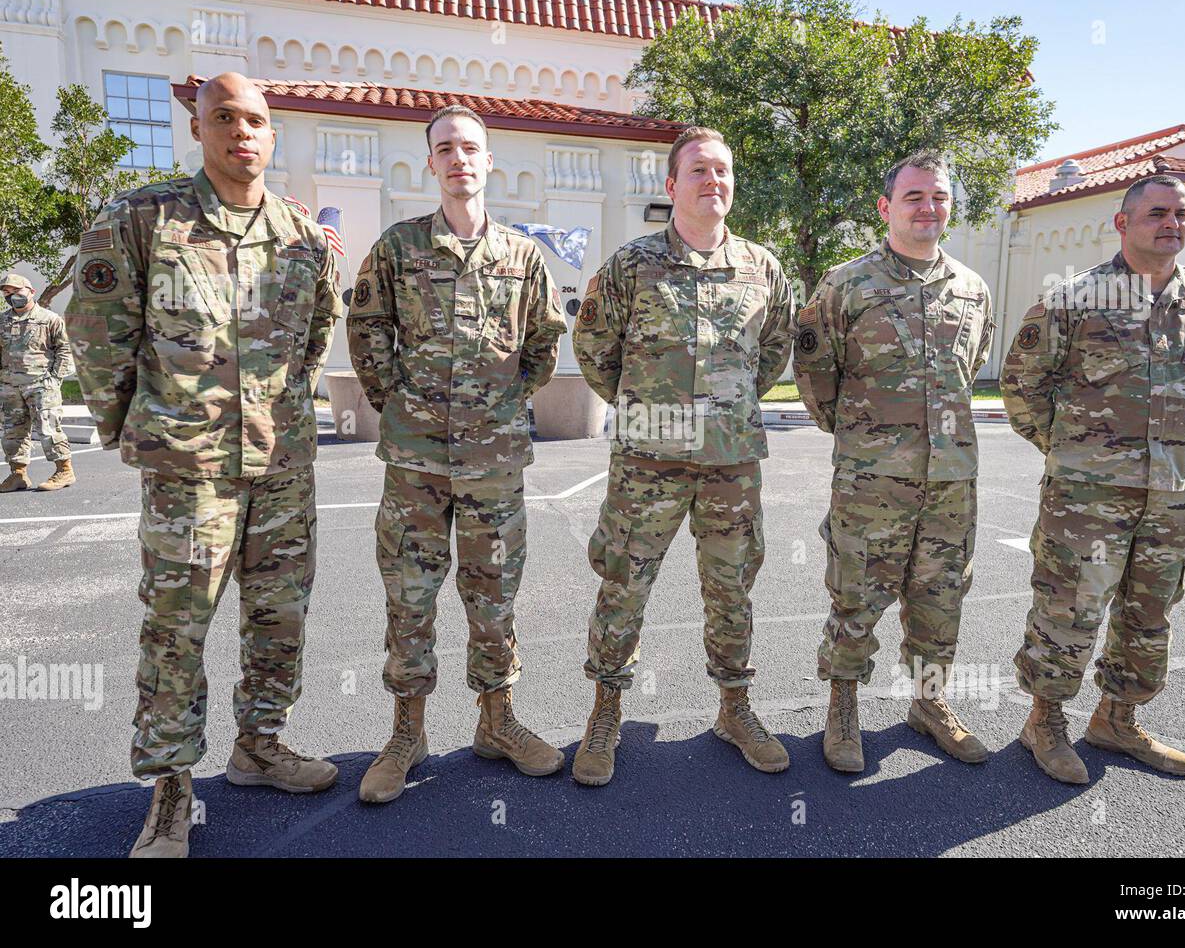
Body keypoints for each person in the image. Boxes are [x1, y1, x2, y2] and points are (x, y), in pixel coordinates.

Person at [65, 72, 344, 857]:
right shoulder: (143, 218)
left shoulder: (298, 232)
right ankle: (170, 786)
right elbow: (96, 330)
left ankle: (259, 746)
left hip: (283, 465)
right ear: (199, 128)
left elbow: (318, 333)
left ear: (272, 132)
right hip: (188, 471)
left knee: (279, 618)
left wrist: (286, 411)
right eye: (225, 117)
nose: (242, 132)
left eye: (255, 119)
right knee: (177, 632)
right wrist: (138, 427)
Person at [347, 105, 568, 804]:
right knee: (409, 600)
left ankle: (497, 721)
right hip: (414, 464)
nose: (459, 159)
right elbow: (367, 328)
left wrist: (498, 407)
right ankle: (406, 733)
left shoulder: (523, 255)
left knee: (494, 598)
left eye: (470, 148)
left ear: (489, 160)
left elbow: (542, 343)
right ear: (431, 163)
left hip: (493, 465)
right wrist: (401, 403)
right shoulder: (397, 247)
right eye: (446, 149)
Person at [570, 126, 794, 786]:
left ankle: (735, 708)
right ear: (672, 186)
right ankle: (605, 711)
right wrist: (644, 408)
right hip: (647, 464)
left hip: (731, 462)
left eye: (722, 170)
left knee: (732, 590)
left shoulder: (763, 268)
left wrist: (725, 412)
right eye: (698, 170)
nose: (712, 180)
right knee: (624, 587)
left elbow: (773, 353)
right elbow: (594, 351)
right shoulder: (631, 265)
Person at [1001, 173, 1185, 783]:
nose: (1171, 224)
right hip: (1088, 497)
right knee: (1069, 606)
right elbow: (1023, 383)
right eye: (1157, 212)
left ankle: (1116, 718)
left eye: (1181, 214)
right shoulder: (1076, 298)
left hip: (1177, 492)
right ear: (1122, 223)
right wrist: (1075, 451)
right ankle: (1043, 721)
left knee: (1151, 610)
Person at [793, 150, 995, 773]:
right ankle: (843, 707)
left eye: (938, 197)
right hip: (871, 481)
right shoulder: (846, 284)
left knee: (941, 600)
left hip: (951, 482)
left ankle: (929, 705)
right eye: (914, 197)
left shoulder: (971, 288)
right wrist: (861, 438)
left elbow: (973, 365)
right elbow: (814, 371)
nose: (928, 208)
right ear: (886, 208)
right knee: (855, 597)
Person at [1, 272, 75, 492]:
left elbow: (65, 349)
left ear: (31, 292)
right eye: (7, 293)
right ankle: (18, 474)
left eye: (16, 292)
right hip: (9, 386)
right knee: (13, 432)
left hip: (41, 384)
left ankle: (64, 470)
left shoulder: (49, 319)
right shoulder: (2, 321)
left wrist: (55, 378)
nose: (12, 296)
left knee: (49, 428)